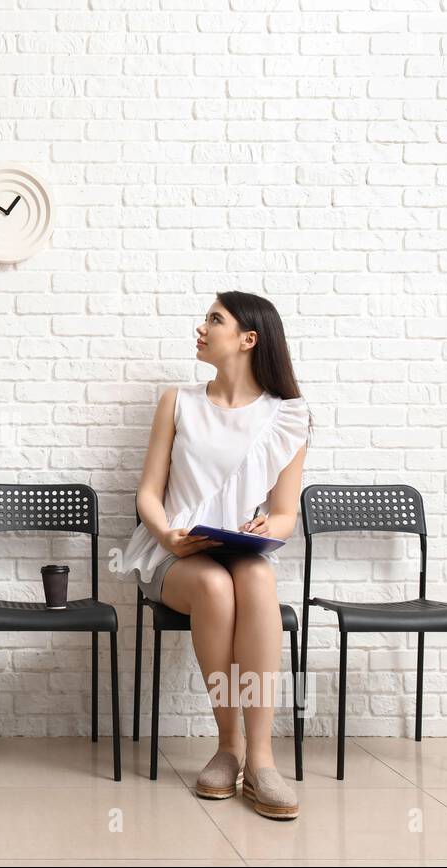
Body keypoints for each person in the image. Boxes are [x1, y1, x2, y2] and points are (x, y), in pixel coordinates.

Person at [121, 291, 312, 820]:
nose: (201, 327)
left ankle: (263, 759)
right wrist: (167, 536)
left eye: (214, 319)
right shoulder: (177, 400)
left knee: (255, 580)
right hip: (175, 555)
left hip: (238, 550)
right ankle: (228, 748)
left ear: (248, 340)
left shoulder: (287, 418)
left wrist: (265, 525)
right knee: (213, 585)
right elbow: (148, 494)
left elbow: (285, 514)